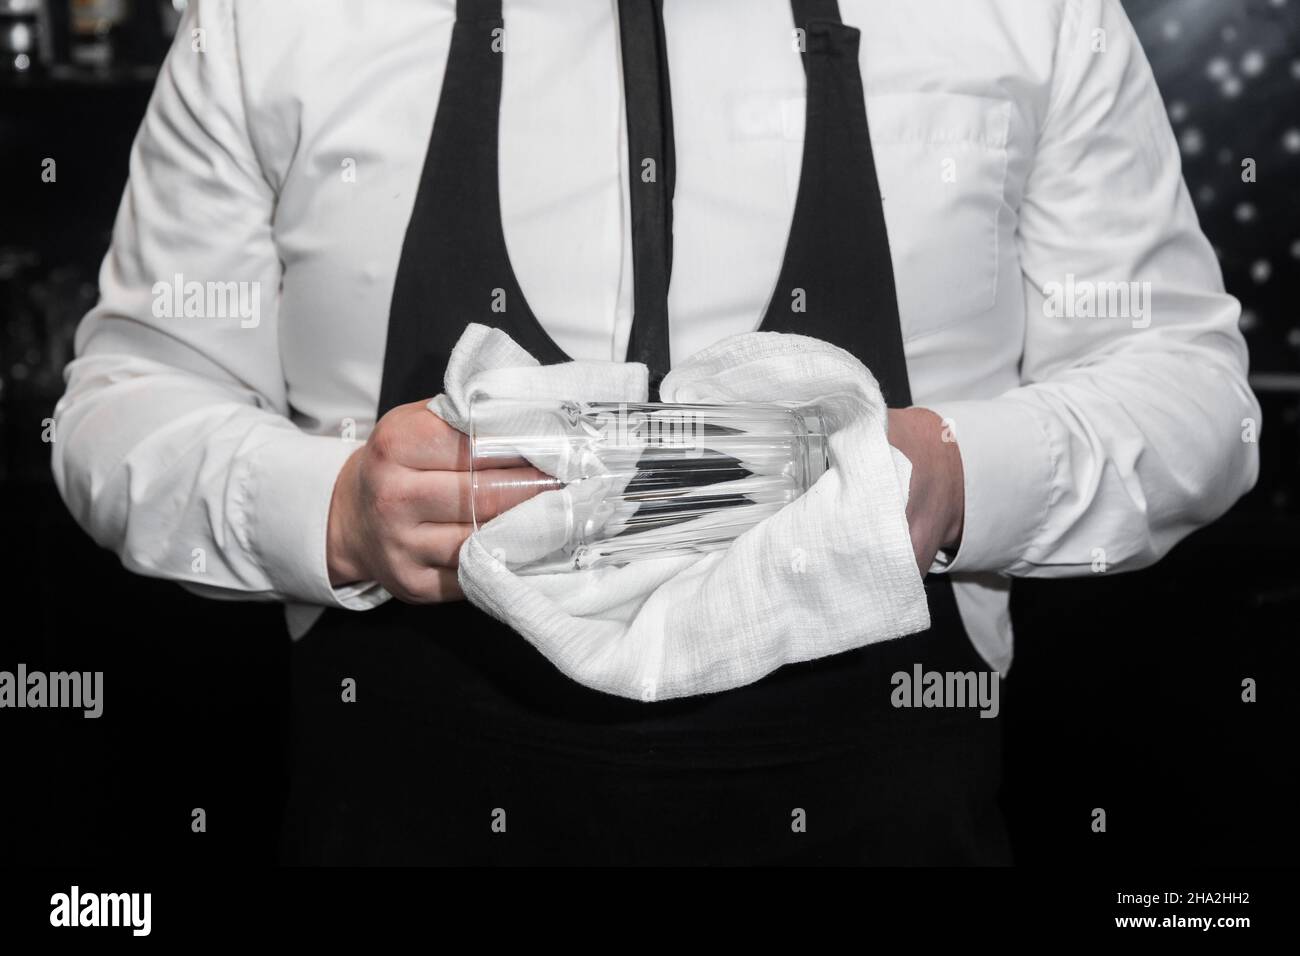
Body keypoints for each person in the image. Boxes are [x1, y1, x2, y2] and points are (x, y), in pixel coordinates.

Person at [52, 0, 1259, 864]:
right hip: (405, 809)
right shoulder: (272, 22)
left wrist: (958, 479)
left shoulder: (1032, 16)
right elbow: (120, 402)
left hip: (885, 813)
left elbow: (1187, 384)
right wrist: (332, 512)